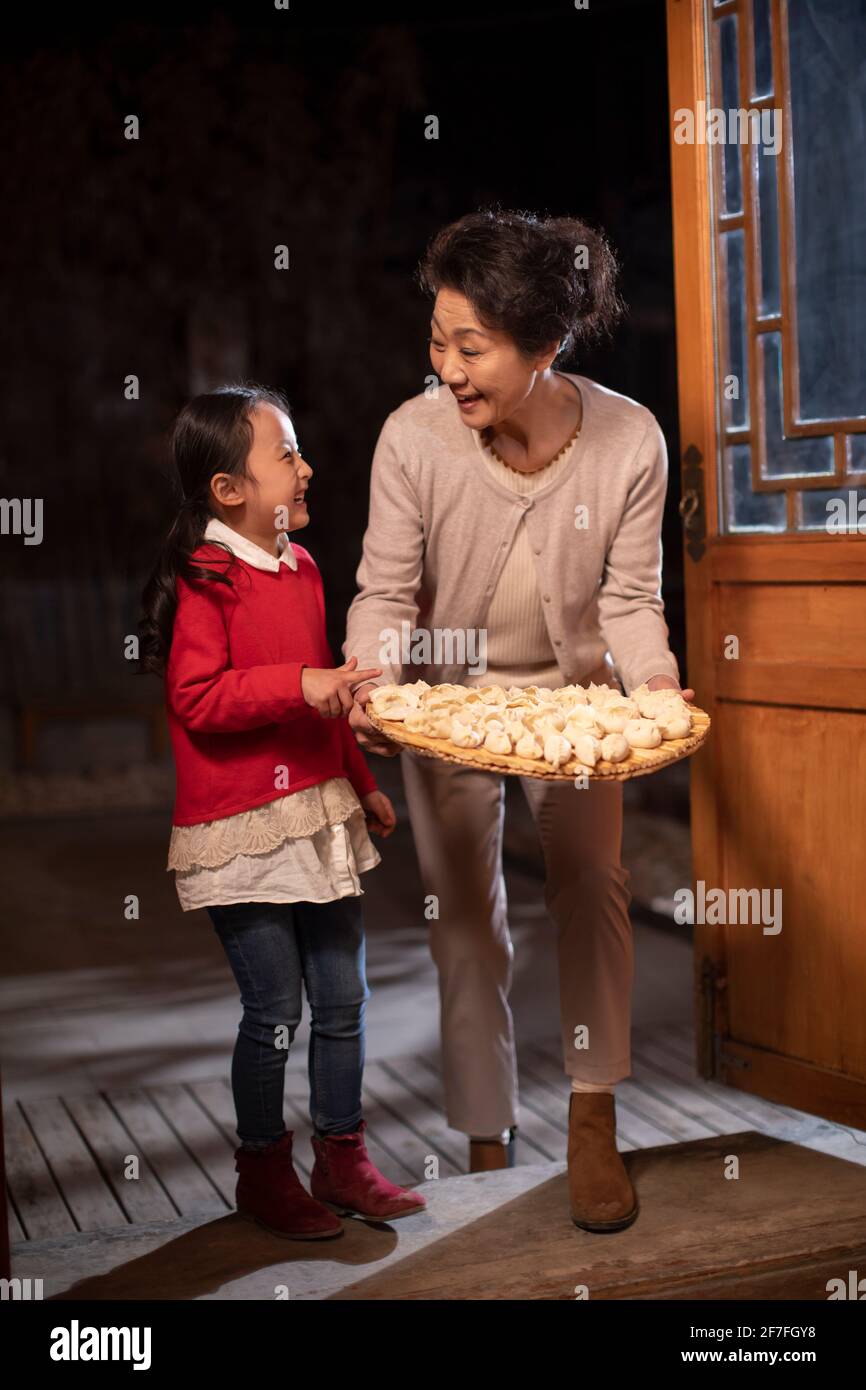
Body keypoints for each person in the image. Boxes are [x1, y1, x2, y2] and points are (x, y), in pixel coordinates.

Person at [346, 209, 694, 1232]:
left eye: (470, 346)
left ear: (545, 346)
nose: (445, 368)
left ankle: (593, 1118)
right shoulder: (412, 437)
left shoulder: (628, 438)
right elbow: (383, 589)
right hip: (448, 702)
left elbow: (631, 602)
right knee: (462, 919)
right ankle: (486, 1135)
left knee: (592, 889)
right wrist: (372, 670)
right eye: (435, 340)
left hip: (573, 706)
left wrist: (657, 688)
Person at [139, 383, 426, 1239]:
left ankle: (342, 1160)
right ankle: (263, 1171)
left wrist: (362, 782)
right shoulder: (205, 579)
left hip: (319, 813)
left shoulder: (302, 569)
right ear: (229, 491)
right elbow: (198, 698)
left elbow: (324, 701)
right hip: (242, 832)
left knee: (344, 998)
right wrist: (302, 684)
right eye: (287, 455)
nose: (307, 468)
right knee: (275, 1010)